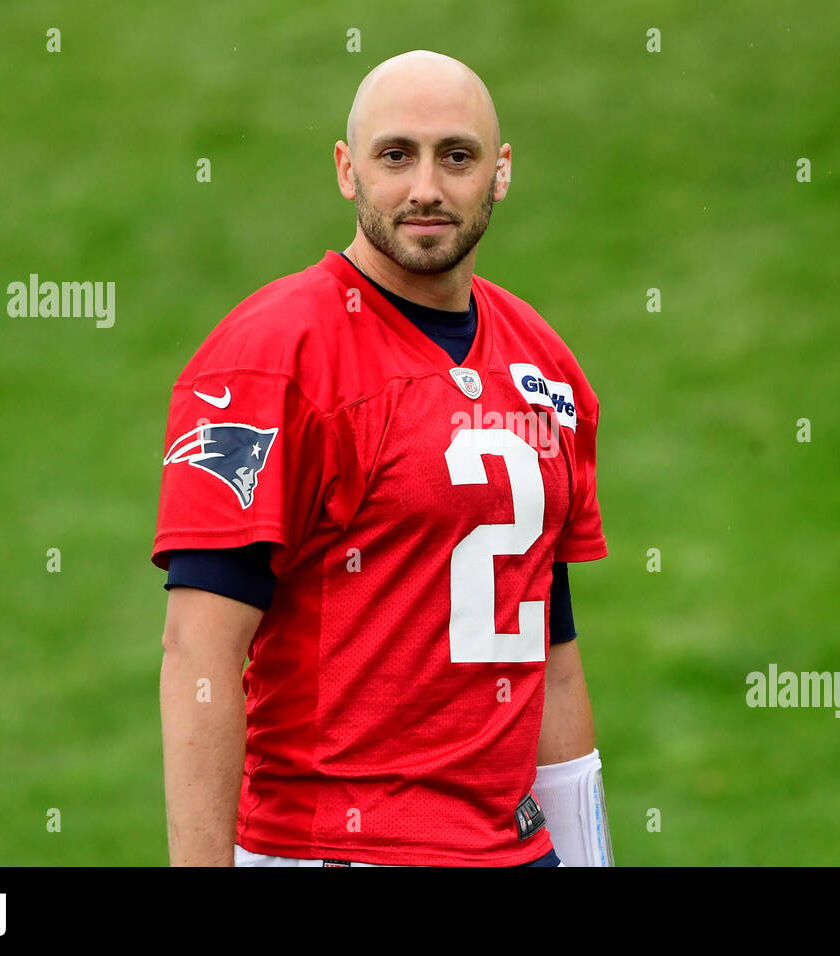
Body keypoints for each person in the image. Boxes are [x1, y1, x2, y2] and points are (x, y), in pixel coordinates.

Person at [154, 50, 612, 867]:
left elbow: (555, 655)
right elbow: (199, 648)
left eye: (457, 156)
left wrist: (587, 855)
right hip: (339, 847)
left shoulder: (547, 367)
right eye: (396, 155)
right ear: (346, 169)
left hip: (515, 850)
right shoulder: (268, 357)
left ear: (501, 173)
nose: (427, 188)